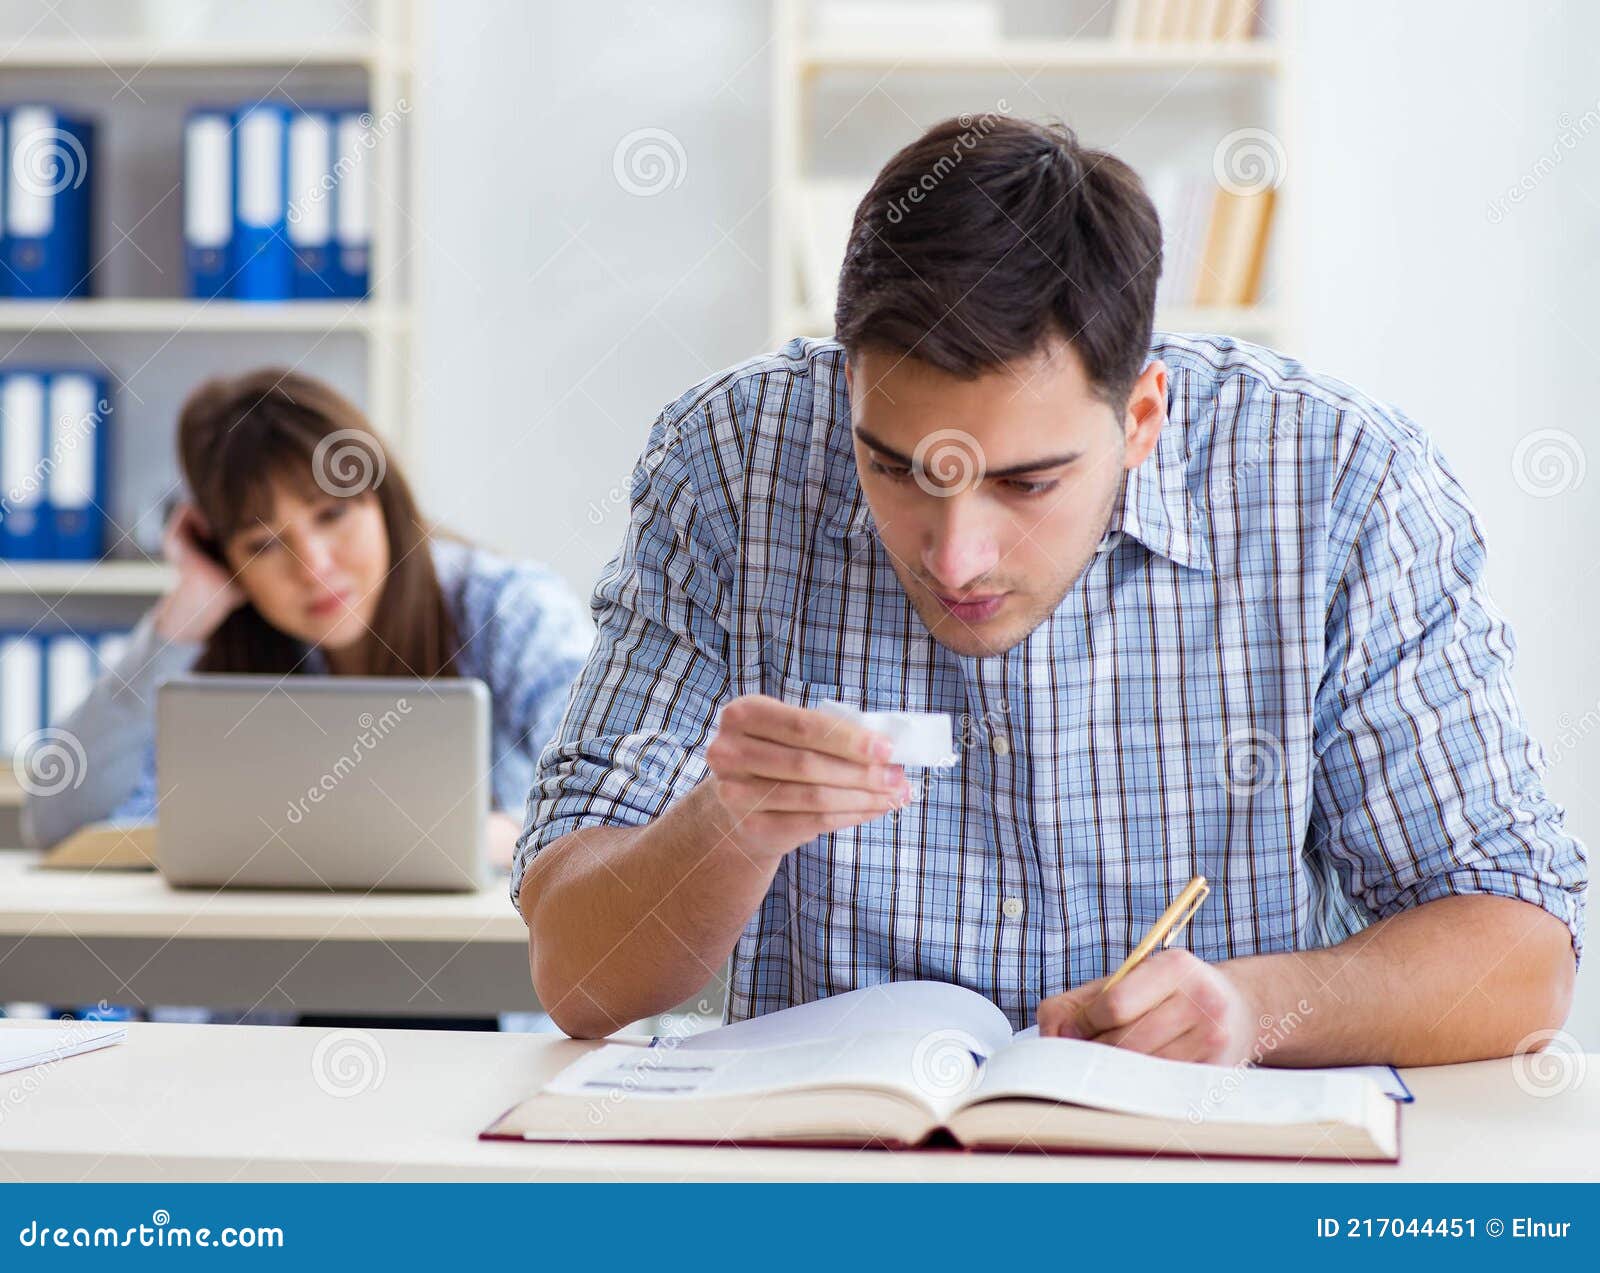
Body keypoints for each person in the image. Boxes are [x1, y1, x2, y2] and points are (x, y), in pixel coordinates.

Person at [515, 115, 1585, 1066]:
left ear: (1141, 419)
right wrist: (727, 830)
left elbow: (1521, 955)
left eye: (1026, 482)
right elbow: (579, 979)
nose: (955, 557)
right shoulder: (731, 463)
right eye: (893, 468)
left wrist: (1255, 1007)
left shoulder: (1343, 481)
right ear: (846, 387)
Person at [24, 368, 593, 872]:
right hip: (266, 981)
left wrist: (481, 841)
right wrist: (175, 626)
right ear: (229, 561)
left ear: (384, 500)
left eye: (332, 514)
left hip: (455, 983)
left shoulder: (510, 608)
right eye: (265, 544)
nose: (314, 567)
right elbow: (58, 820)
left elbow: (607, 811)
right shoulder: (218, 643)